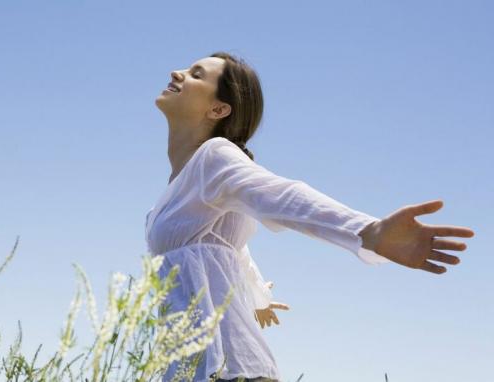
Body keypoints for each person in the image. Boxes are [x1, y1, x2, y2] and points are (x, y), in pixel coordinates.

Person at [148, 51, 475, 382]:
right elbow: (230, 244)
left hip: (229, 371)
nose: (177, 72)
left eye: (196, 74)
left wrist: (367, 231)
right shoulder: (177, 189)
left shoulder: (213, 157)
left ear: (218, 109)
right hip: (191, 369)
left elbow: (284, 195)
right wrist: (259, 295)